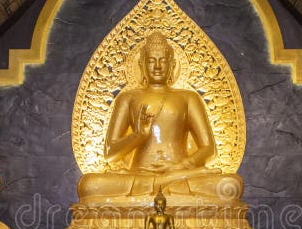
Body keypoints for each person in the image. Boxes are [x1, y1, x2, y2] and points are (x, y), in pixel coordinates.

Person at [77, 31, 243, 204]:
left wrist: (180, 167)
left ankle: (162, 184)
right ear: (141, 65)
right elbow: (111, 154)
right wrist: (138, 136)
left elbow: (209, 150)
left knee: (230, 185)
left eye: (163, 61)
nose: (157, 66)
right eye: (151, 61)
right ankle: (161, 184)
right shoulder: (127, 98)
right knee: (89, 185)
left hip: (180, 174)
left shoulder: (189, 98)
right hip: (139, 176)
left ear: (172, 64)